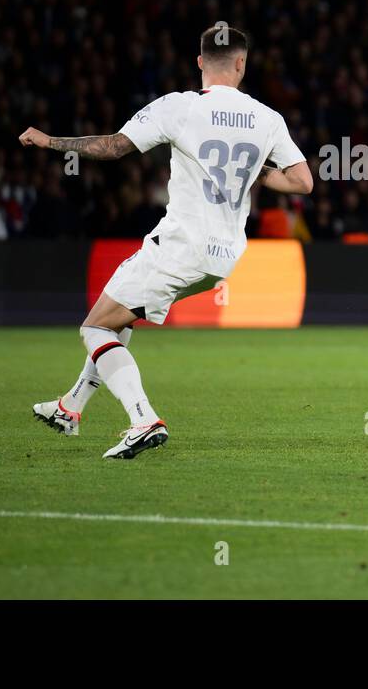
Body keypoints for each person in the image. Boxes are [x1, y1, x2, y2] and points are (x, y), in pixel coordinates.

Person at [18, 25, 311, 459]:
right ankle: (70, 408)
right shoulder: (268, 118)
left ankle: (143, 419)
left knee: (95, 326)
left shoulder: (180, 107)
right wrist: (254, 170)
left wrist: (51, 142)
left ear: (199, 63)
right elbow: (302, 181)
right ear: (241, 63)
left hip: (180, 244)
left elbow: (115, 147)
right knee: (121, 316)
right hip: (226, 255)